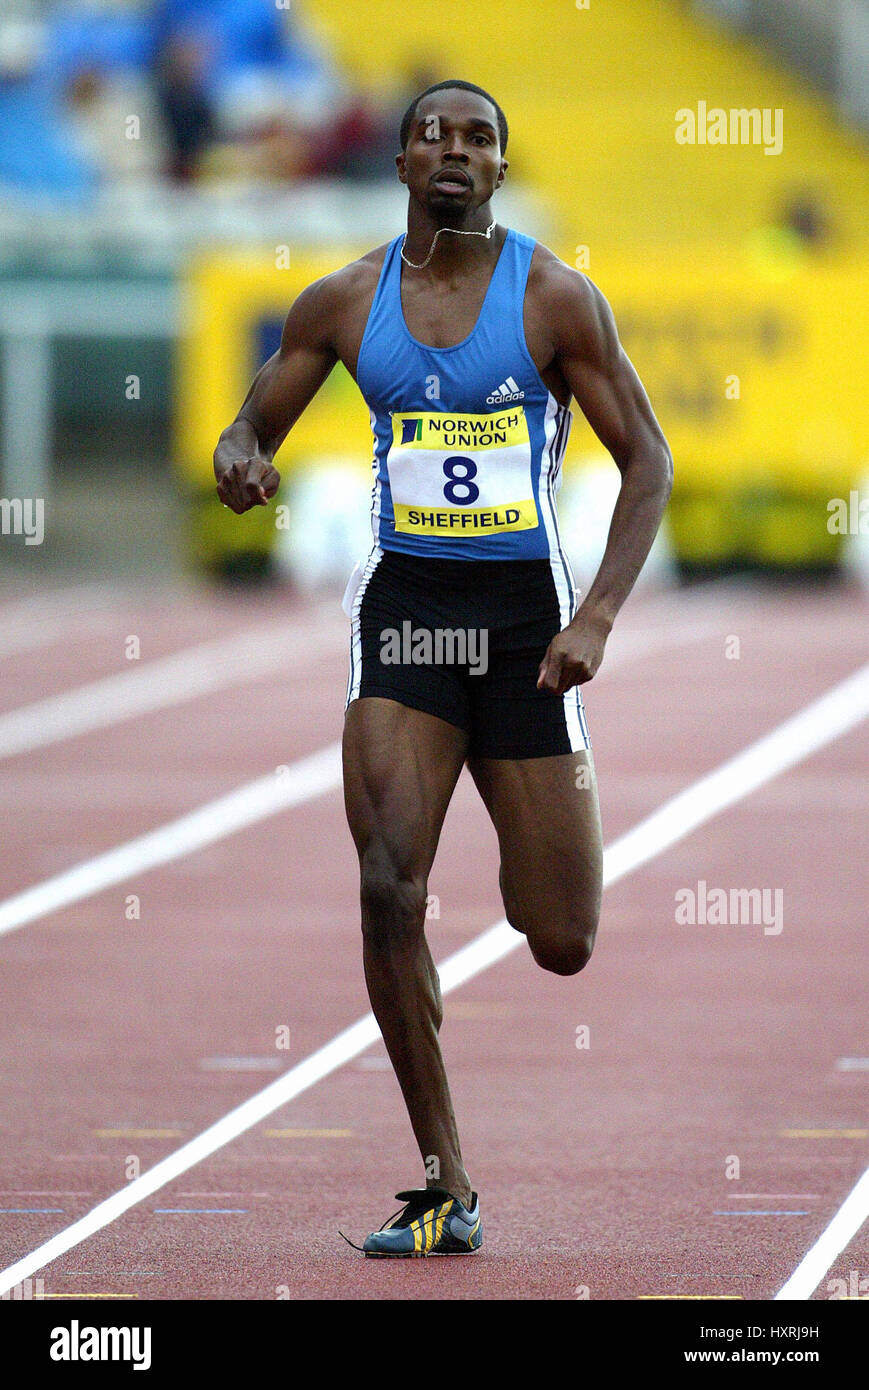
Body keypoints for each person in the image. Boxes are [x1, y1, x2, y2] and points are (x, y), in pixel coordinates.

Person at [214, 79, 673, 1257]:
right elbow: (250, 426)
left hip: (526, 632)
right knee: (385, 884)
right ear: (403, 163)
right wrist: (239, 456)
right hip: (409, 617)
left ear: (500, 171)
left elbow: (648, 463)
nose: (455, 152)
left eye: (478, 139)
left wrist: (600, 617)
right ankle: (443, 1180)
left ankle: (540, 825)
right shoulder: (343, 300)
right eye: (435, 135)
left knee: (558, 936)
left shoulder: (556, 300)